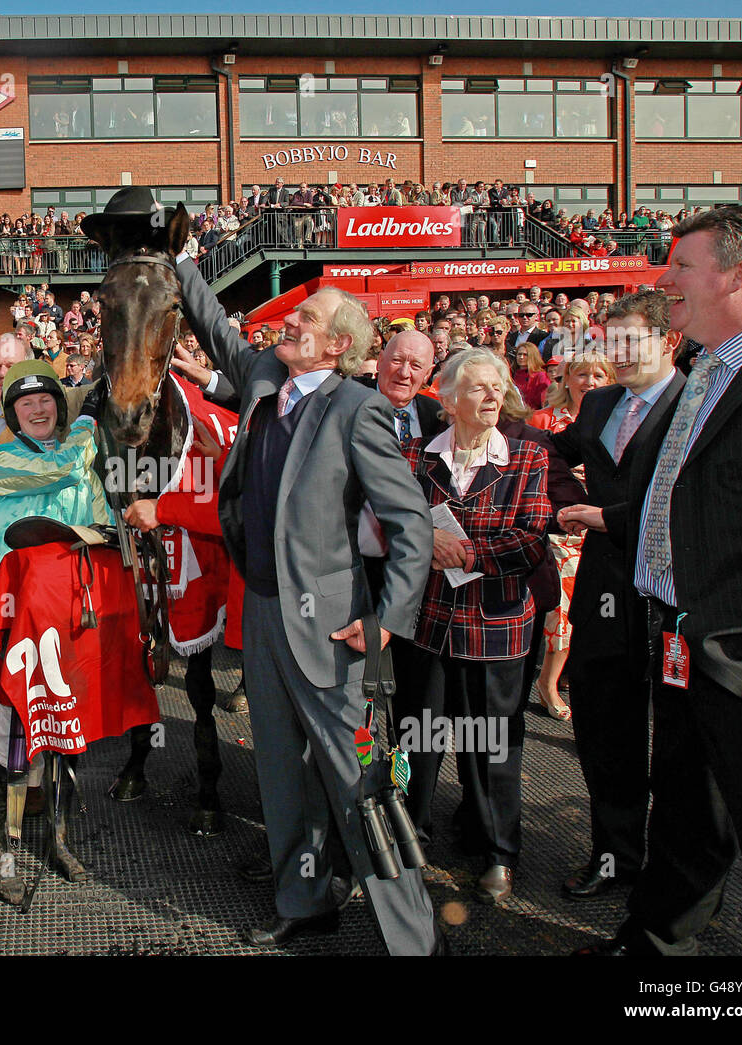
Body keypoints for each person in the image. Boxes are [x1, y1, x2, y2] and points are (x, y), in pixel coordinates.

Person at [178, 242, 441, 955]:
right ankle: (306, 899)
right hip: (261, 612)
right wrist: (179, 262)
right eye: (296, 310)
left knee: (360, 780)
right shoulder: (265, 375)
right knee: (278, 774)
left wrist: (385, 621)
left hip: (333, 626)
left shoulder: (358, 409)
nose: (292, 318)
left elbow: (411, 524)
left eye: (309, 315)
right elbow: (217, 331)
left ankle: (414, 938)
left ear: (340, 344)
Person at [578, 207, 742, 956]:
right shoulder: (704, 366)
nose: (663, 279)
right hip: (678, 641)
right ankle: (656, 948)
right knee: (683, 814)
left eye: (681, 265)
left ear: (738, 274)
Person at [399, 348, 551, 904]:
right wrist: (422, 542)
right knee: (417, 736)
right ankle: (409, 832)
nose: (492, 396)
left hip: (497, 625)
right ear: (449, 397)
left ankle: (497, 852)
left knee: (492, 745)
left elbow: (531, 538)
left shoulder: (527, 457)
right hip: (427, 622)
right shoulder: (412, 454)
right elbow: (389, 520)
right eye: (479, 387)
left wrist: (462, 553)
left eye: (498, 387)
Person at [547, 290, 685, 900]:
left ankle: (677, 875)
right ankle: (614, 856)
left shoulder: (697, 405)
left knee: (683, 747)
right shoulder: (599, 402)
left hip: (674, 601)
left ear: (669, 341)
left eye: (633, 340)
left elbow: (694, 499)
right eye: (611, 340)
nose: (620, 353)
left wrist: (607, 516)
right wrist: (562, 506)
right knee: (605, 735)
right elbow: (554, 452)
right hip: (603, 596)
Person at [0, 358, 111, 904]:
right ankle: (3, 849)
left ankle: (57, 840)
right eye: (27, 402)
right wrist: (88, 422)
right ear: (12, 412)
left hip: (69, 611)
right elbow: (63, 470)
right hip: (18, 614)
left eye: (48, 400)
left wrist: (86, 535)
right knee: (13, 735)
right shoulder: (0, 459)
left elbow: (101, 526)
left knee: (64, 729)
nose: (39, 408)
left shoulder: (83, 462)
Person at [525, 352, 615, 719]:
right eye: (581, 374)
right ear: (566, 380)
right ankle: (546, 683)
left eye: (598, 374)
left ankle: (565, 676)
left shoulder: (618, 418)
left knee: (594, 611)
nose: (589, 381)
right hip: (563, 529)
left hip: (606, 527)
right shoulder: (544, 420)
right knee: (561, 610)